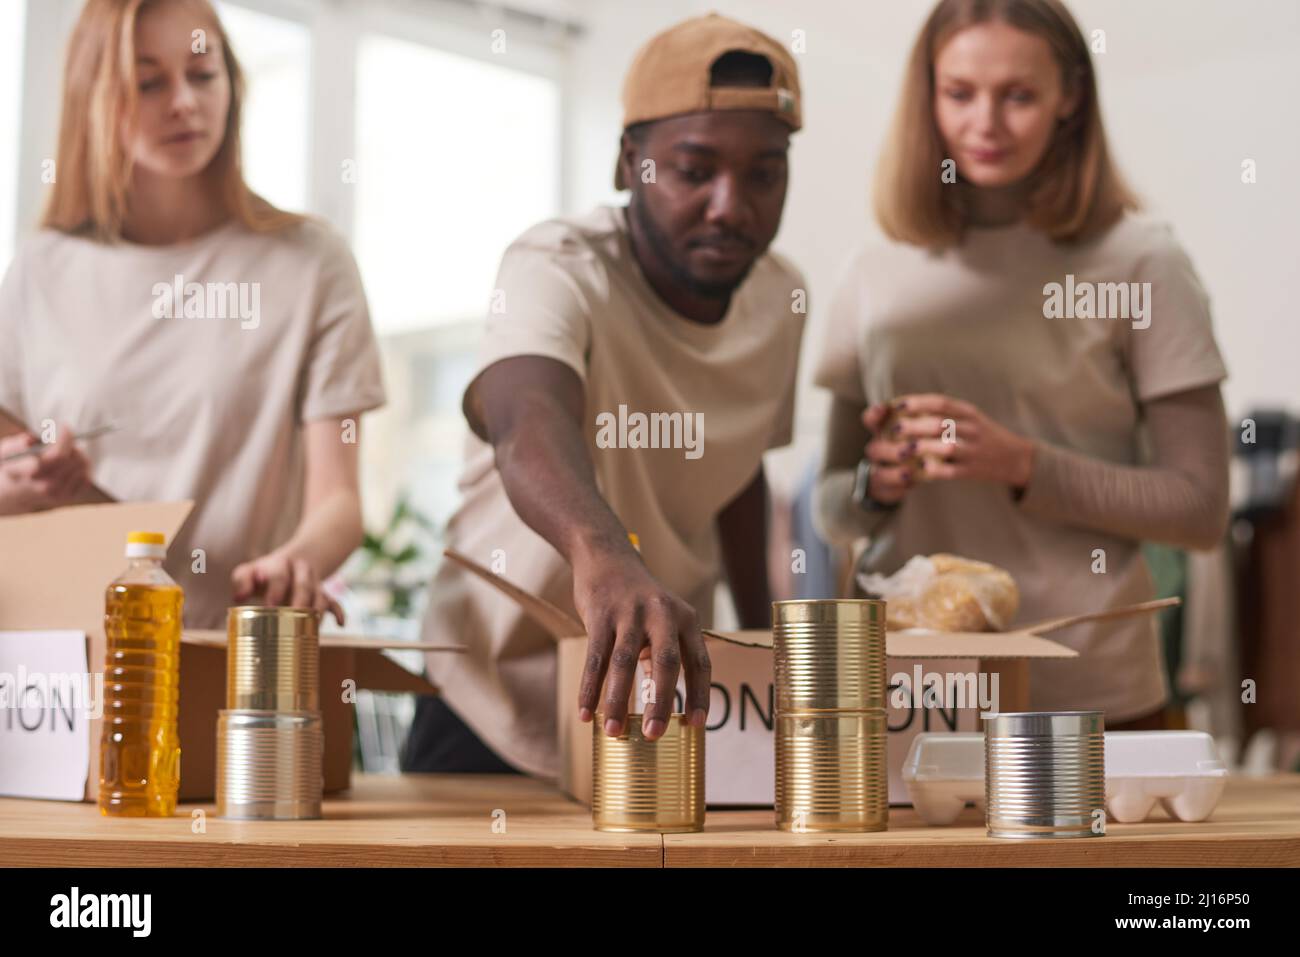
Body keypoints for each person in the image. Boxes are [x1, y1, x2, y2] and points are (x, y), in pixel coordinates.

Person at [403, 14, 807, 776]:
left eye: (764, 173)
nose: (731, 205)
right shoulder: (556, 266)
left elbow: (737, 470)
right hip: (490, 696)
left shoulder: (782, 299)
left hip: (653, 693)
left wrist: (765, 648)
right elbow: (526, 418)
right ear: (631, 164)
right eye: (694, 169)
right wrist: (607, 555)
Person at [813, 0, 1230, 731]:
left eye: (1019, 96)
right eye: (959, 93)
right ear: (927, 95)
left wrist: (1023, 464)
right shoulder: (873, 272)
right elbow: (829, 505)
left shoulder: (1142, 260)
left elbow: (1199, 509)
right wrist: (873, 487)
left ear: (1070, 97)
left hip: (1089, 689)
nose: (986, 124)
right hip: (909, 694)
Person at [0, 0, 385, 627]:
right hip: (71, 654)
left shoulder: (311, 264)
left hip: (234, 651)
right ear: (94, 98)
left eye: (203, 74)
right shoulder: (40, 270)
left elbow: (338, 503)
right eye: (149, 83)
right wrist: (19, 487)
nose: (183, 102)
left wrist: (296, 561)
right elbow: (8, 472)